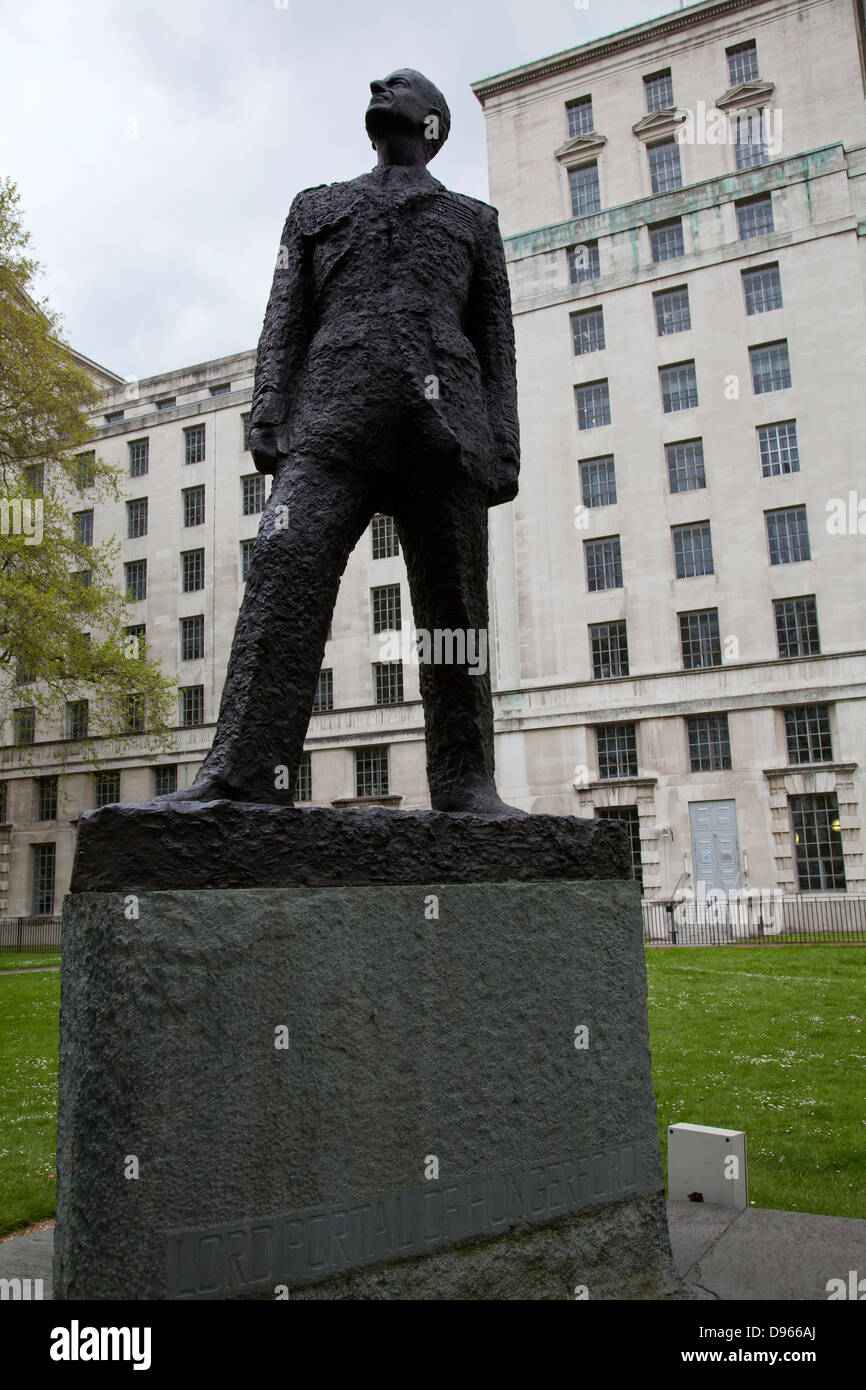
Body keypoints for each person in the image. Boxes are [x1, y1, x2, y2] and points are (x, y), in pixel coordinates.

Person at [170, 68, 523, 816]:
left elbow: (496, 342)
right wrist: (268, 406)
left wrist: (504, 446)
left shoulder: (473, 220)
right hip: (333, 417)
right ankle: (242, 775)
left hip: (448, 430)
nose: (375, 84)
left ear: (434, 122)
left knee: (456, 608)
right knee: (282, 567)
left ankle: (466, 784)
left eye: (398, 85)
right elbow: (284, 316)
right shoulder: (316, 207)